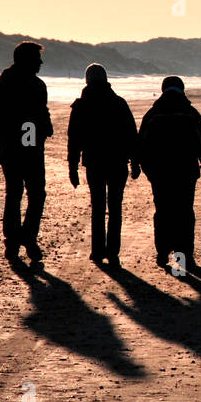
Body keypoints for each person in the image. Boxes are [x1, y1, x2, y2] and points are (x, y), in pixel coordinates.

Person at [0, 41, 53, 265]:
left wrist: (46, 126)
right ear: (26, 60)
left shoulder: (33, 86)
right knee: (25, 194)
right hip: (21, 150)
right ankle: (20, 240)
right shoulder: (6, 85)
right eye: (37, 59)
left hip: (27, 149)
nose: (40, 63)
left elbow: (42, 112)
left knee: (24, 194)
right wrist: (4, 131)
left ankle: (20, 239)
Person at [67, 63, 139, 268]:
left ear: (87, 81)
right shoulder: (119, 103)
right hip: (117, 162)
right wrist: (135, 162)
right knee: (115, 207)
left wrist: (72, 167)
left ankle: (97, 251)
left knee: (98, 207)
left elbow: (74, 139)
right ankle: (113, 251)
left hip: (94, 163)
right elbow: (131, 135)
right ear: (106, 80)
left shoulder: (81, 106)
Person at [137, 76, 201, 271]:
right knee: (184, 211)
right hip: (186, 171)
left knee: (163, 210)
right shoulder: (190, 111)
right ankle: (183, 257)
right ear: (182, 89)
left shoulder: (153, 113)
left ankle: (162, 253)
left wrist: (141, 167)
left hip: (159, 171)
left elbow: (141, 143)